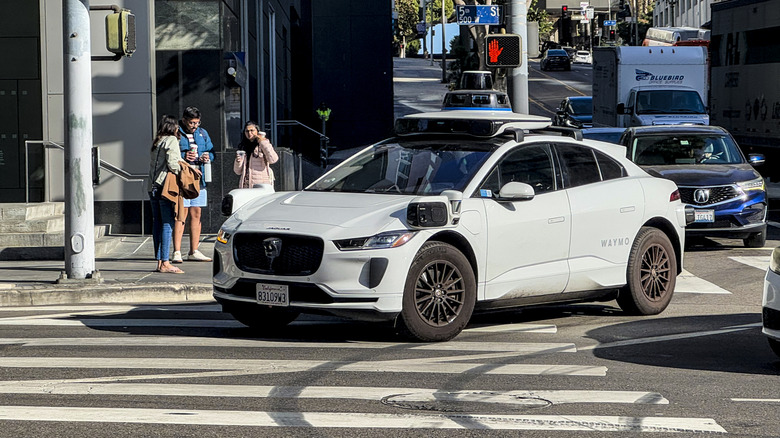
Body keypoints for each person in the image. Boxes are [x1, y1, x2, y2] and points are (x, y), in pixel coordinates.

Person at [172, 106, 214, 263]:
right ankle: (176, 251)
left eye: (197, 122)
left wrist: (207, 156)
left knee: (197, 213)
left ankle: (194, 250)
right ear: (184, 120)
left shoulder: (203, 133)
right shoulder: (176, 132)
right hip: (183, 179)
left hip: (199, 179)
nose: (195, 126)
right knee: (180, 214)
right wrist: (184, 155)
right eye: (191, 123)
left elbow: (211, 151)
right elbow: (170, 153)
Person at [148, 115, 184, 274]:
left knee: (157, 223)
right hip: (165, 188)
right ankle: (165, 262)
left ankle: (159, 262)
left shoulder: (157, 142)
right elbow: (173, 164)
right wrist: (187, 170)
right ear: (172, 127)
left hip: (152, 187)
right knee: (168, 223)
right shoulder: (171, 140)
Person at [233, 121, 279, 189]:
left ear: (257, 131)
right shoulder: (243, 147)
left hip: (261, 184)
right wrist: (238, 161)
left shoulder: (263, 144)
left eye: (252, 130)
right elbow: (237, 171)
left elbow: (273, 159)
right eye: (247, 131)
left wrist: (262, 141)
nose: (249, 133)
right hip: (246, 185)